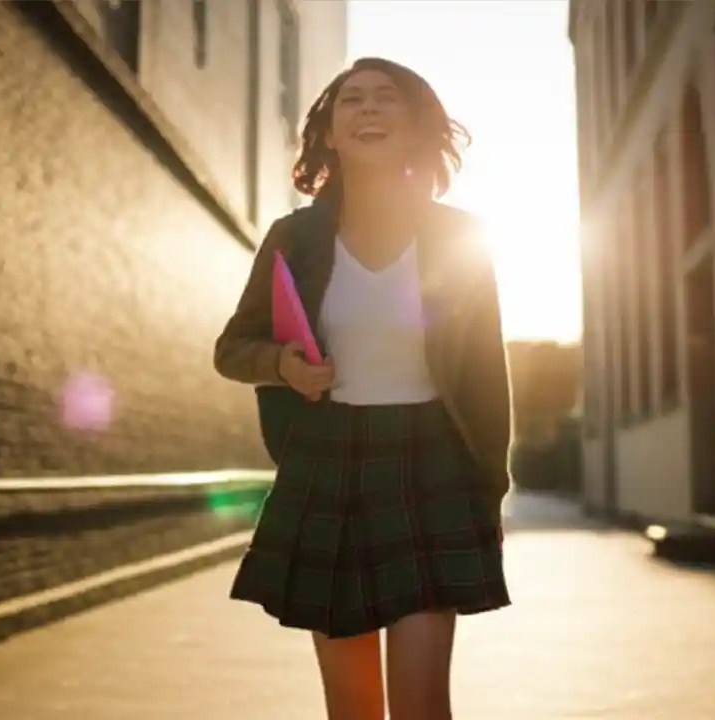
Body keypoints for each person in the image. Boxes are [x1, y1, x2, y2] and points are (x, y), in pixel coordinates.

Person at [214, 56, 512, 720]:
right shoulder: (294, 237)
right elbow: (233, 349)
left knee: (421, 703)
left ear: (414, 127)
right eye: (352, 100)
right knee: (353, 710)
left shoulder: (460, 237)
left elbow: (488, 378)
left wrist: (490, 494)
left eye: (386, 99)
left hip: (432, 463)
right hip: (328, 461)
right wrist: (284, 364)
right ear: (330, 130)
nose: (369, 109)